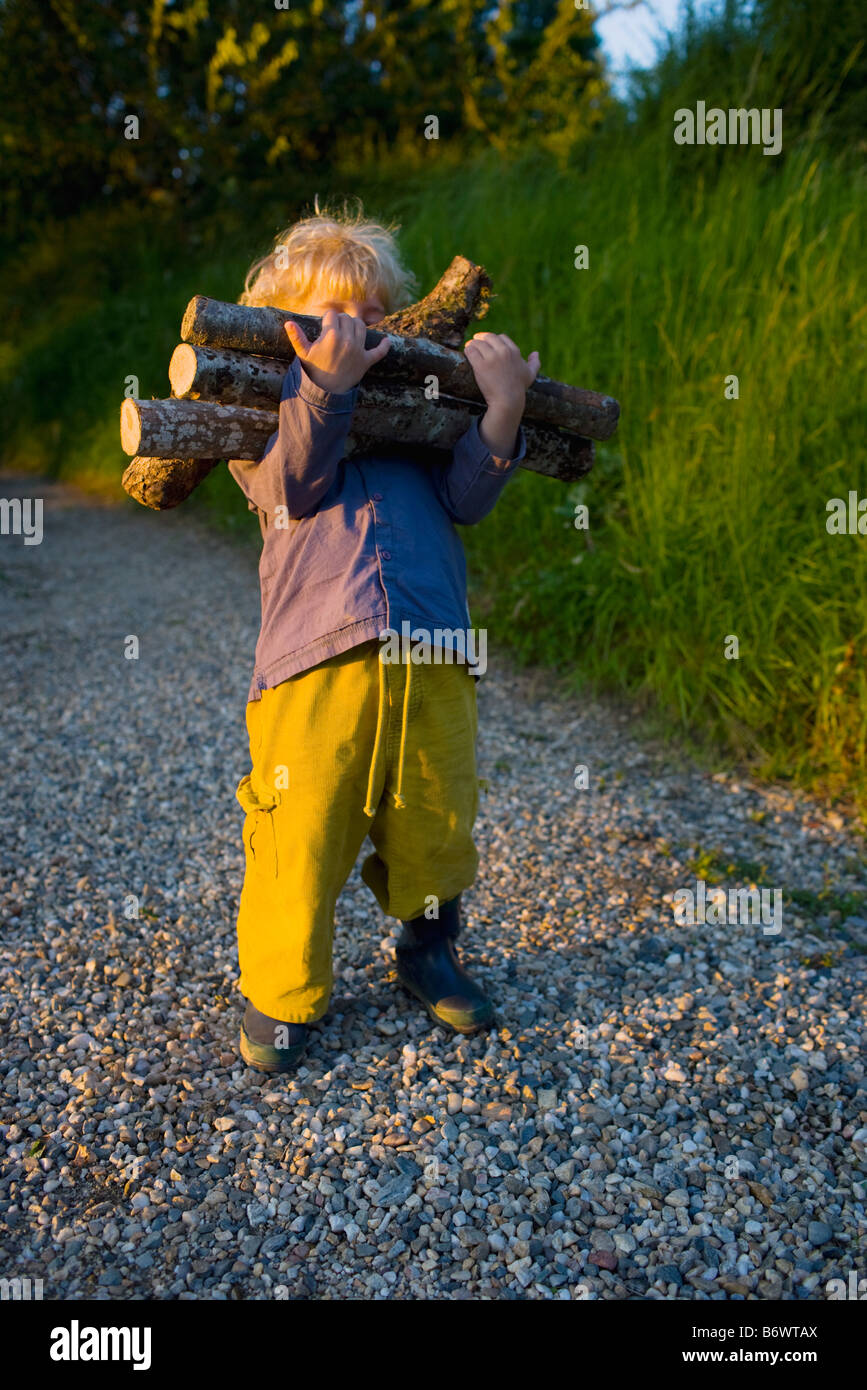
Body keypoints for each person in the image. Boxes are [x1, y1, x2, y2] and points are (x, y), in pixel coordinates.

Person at [228, 198, 540, 1073]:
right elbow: (291, 487)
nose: (353, 333)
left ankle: (428, 949)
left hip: (433, 649)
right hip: (312, 666)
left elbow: (464, 498)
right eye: (328, 318)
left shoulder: (421, 409)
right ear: (282, 332)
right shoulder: (262, 412)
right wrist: (326, 389)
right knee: (304, 832)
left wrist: (503, 411)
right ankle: (281, 988)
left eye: (371, 316)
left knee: (436, 819)